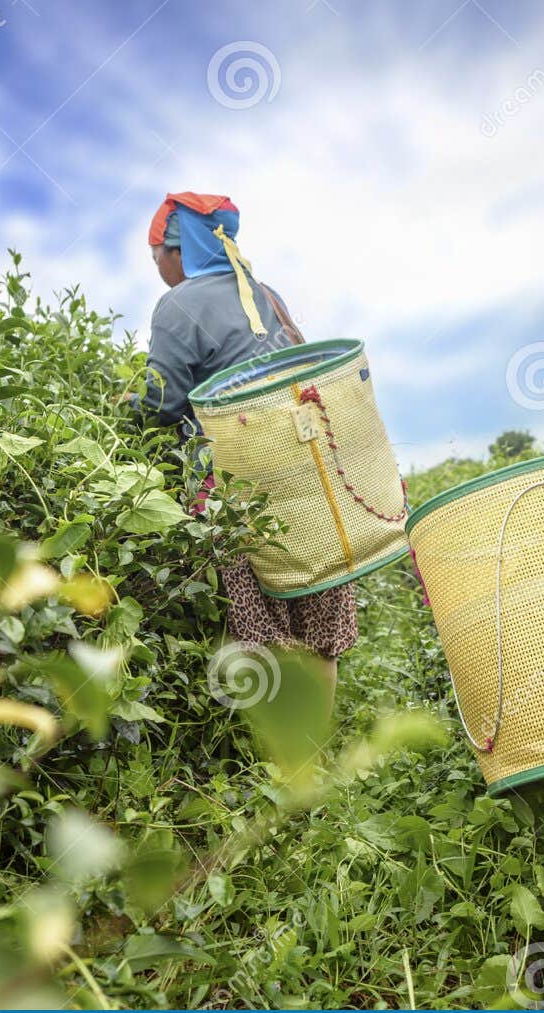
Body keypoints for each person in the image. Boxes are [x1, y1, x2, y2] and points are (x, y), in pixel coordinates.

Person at [143, 192, 358, 676]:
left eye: (156, 255)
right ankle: (308, 751)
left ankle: (262, 748)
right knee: (318, 637)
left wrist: (123, 411)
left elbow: (161, 406)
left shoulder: (175, 305)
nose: (156, 266)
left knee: (257, 634)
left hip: (235, 494)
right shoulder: (267, 294)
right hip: (307, 484)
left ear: (179, 252)